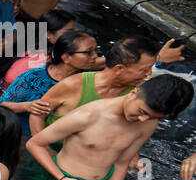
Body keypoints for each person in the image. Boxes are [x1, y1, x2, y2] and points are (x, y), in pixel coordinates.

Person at [27, 74, 194, 180]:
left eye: (152, 117)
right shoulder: (89, 115)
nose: (143, 119)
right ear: (134, 92)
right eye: (142, 111)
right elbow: (34, 143)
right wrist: (62, 179)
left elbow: (122, 161)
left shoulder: (148, 124)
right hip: (56, 178)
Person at [31, 35, 179, 132]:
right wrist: (44, 150)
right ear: (119, 69)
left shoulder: (137, 94)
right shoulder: (73, 85)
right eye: (144, 70)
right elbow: (37, 114)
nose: (148, 74)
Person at [0, 30, 99, 137]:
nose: (95, 56)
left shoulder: (87, 78)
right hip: (22, 134)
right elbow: (1, 105)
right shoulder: (33, 78)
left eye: (95, 51)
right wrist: (27, 106)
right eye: (88, 52)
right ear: (66, 58)